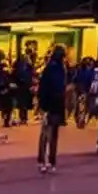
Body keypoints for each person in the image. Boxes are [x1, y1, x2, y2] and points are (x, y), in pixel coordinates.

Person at [36, 46, 67, 174]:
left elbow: (42, 89)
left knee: (45, 133)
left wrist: (42, 106)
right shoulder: (61, 70)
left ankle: (42, 160)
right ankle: (51, 161)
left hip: (48, 105)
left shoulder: (49, 69)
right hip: (56, 106)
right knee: (53, 134)